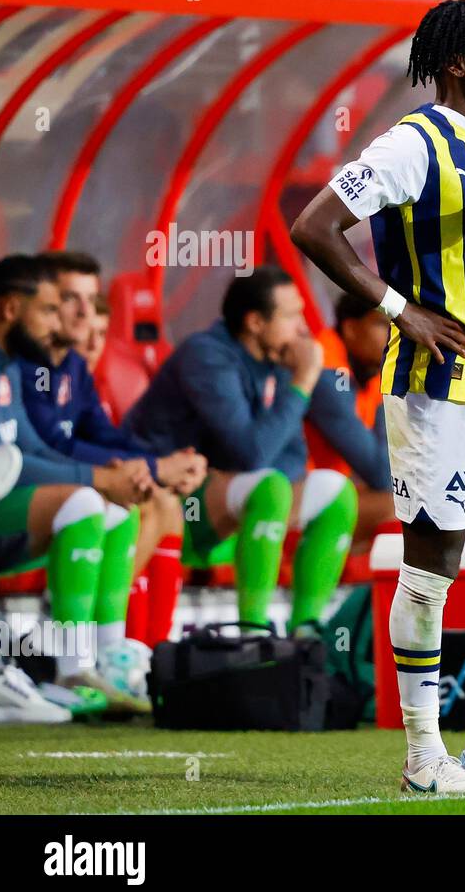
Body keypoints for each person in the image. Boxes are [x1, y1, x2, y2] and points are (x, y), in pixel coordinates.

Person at [291, 0, 465, 795]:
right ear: (459, 65)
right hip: (440, 393)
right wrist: (398, 311)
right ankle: (424, 757)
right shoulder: (412, 144)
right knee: (434, 565)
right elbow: (314, 226)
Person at [124, 268, 358, 638]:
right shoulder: (207, 356)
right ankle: (254, 632)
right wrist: (303, 381)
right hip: (162, 508)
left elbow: (293, 458)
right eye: (291, 315)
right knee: (269, 486)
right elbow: (251, 455)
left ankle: (305, 630)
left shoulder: (276, 360)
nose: (302, 329)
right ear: (254, 321)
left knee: (337, 493)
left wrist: (294, 385)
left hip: (225, 503)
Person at [17, 251, 203, 651]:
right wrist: (152, 468)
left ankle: (142, 649)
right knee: (132, 500)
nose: (85, 314)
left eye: (91, 299)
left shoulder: (70, 366)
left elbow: (103, 434)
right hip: (30, 491)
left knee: (159, 498)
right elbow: (51, 444)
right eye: (70, 299)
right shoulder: (24, 365)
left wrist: (163, 464)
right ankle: (86, 641)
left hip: (59, 484)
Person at [0, 255, 147, 715]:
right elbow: (10, 461)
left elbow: (29, 449)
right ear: (9, 311)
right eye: (46, 310)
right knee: (83, 501)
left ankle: (103, 656)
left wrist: (115, 476)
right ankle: (70, 668)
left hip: (4, 504)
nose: (56, 321)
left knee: (118, 509)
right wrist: (94, 478)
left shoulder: (9, 367)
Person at [305, 292, 397, 554]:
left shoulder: (372, 370)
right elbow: (380, 471)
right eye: (381, 325)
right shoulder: (325, 370)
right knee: (400, 508)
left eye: (395, 327)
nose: (392, 336)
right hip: (296, 491)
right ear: (351, 328)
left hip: (331, 489)